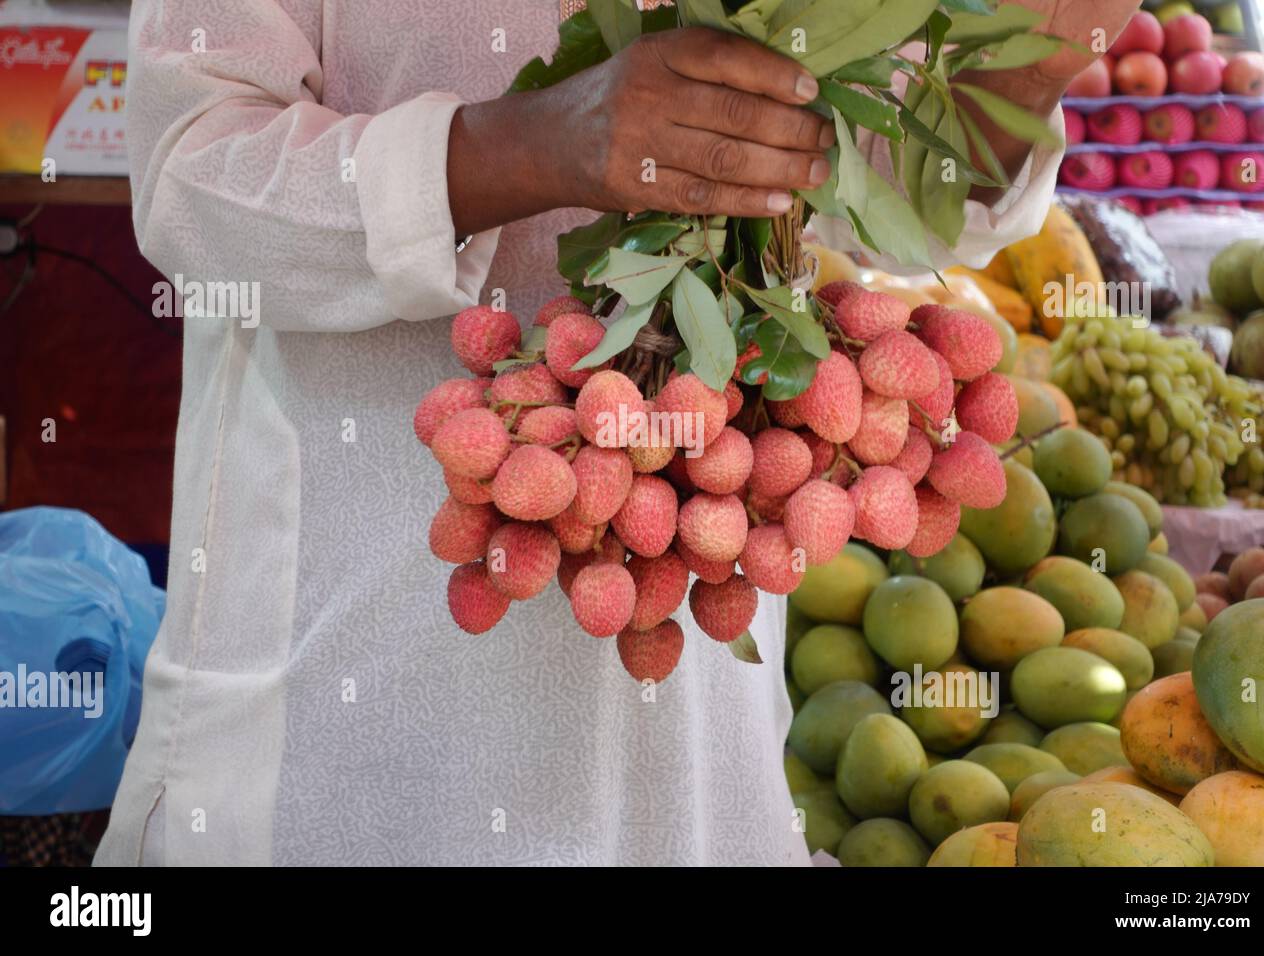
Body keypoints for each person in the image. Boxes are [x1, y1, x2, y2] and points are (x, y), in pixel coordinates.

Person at [96, 0, 1140, 866]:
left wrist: (1042, 47)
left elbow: (899, 180)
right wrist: (537, 143)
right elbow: (190, 178)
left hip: (684, 710)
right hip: (344, 694)